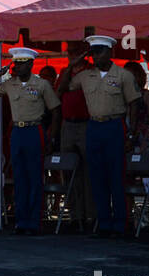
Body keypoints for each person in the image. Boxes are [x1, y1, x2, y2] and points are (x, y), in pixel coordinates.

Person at [59, 35, 139, 238]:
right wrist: (72, 64)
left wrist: (132, 133)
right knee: (97, 176)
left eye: (99, 51)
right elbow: (62, 88)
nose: (95, 56)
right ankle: (104, 223)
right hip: (93, 126)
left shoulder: (123, 75)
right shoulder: (86, 76)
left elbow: (134, 103)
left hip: (114, 125)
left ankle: (119, 223)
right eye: (93, 52)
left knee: (115, 176)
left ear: (110, 52)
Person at [0, 48, 61, 234]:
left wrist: (51, 134)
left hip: (34, 129)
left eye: (22, 64)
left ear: (30, 64)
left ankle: (33, 222)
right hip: (17, 131)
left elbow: (55, 109)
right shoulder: (9, 84)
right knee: (19, 178)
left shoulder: (42, 84)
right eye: (16, 64)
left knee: (34, 178)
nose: (18, 67)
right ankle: (21, 221)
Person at [57, 41, 95, 229]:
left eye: (74, 52)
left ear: (83, 53)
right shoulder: (66, 72)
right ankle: (74, 215)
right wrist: (70, 68)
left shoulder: (91, 70)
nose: (70, 55)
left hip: (86, 123)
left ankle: (90, 215)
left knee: (88, 172)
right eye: (69, 52)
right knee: (69, 171)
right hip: (68, 124)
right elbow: (59, 91)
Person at [124, 61, 149, 153]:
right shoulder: (123, 95)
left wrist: (146, 139)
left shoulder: (146, 95)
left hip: (143, 136)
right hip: (126, 137)